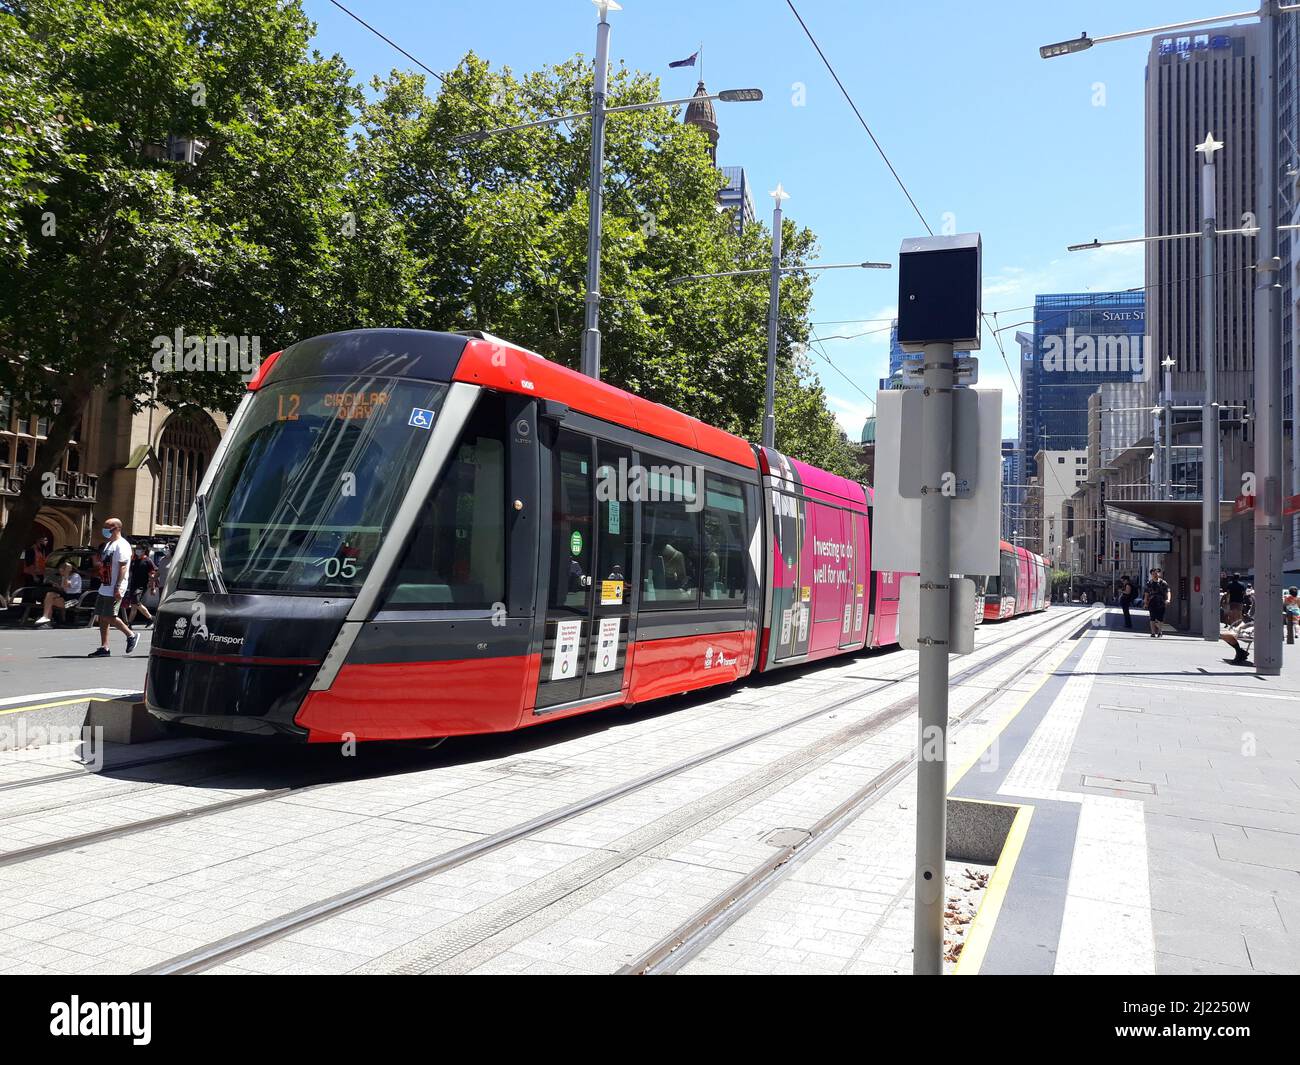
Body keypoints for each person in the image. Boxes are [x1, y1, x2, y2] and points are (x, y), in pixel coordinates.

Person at [89, 518, 137, 657]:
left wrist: (118, 587)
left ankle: (130, 635)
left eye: (107, 526)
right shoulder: (109, 544)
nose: (103, 529)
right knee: (102, 617)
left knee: (109, 616)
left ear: (116, 528)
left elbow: (123, 567)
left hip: (115, 587)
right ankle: (104, 647)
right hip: (105, 585)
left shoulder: (122, 545)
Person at [33, 561, 82, 626]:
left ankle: (50, 621)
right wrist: (57, 586)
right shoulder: (64, 576)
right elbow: (64, 589)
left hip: (73, 600)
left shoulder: (76, 576)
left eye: (61, 571)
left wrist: (66, 573)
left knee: (49, 602)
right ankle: (46, 618)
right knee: (49, 595)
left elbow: (67, 585)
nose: (60, 573)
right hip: (65, 597)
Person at [124, 544, 157, 627]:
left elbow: (152, 575)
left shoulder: (148, 561)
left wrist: (153, 588)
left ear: (144, 550)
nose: (137, 550)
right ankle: (129, 623)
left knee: (136, 602)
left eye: (139, 549)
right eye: (136, 549)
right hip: (133, 585)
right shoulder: (134, 560)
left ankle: (150, 618)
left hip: (141, 586)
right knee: (134, 605)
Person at [1144, 567, 1172, 638]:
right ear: (1151, 575)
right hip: (1152, 602)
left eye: (1156, 573)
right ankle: (1153, 633)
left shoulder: (1163, 582)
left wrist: (1168, 599)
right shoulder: (1149, 583)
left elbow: (1168, 591)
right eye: (1153, 574)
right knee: (1152, 617)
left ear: (1159, 574)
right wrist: (1145, 602)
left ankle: (1160, 631)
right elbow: (1146, 593)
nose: (1155, 575)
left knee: (1160, 618)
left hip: (1161, 602)